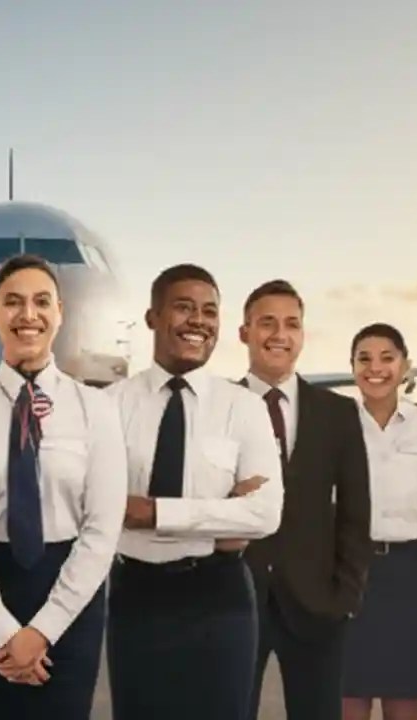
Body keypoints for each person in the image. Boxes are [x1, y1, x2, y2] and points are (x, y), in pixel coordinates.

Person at [0, 253, 126, 720]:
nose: (28, 314)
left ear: (60, 312)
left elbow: (101, 531)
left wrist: (42, 631)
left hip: (69, 598)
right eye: (13, 302)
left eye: (41, 301)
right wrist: (4, 630)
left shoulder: (96, 410)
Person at [104, 263, 285, 719]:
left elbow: (265, 514)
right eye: (184, 308)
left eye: (210, 311)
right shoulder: (109, 406)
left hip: (219, 596)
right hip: (136, 596)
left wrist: (154, 513)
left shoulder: (243, 407)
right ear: (152, 317)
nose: (198, 321)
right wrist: (220, 515)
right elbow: (98, 506)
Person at [237, 279, 372, 720]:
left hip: (318, 607)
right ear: (244, 332)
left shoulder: (338, 412)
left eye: (292, 324)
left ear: (303, 335)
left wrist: (345, 598)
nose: (280, 334)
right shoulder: (218, 407)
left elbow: (356, 511)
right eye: (267, 323)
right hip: (235, 604)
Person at [340, 323, 417, 720]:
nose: (375, 368)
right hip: (348, 572)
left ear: (405, 367)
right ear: (352, 367)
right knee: (347, 694)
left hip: (409, 573)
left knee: (405, 696)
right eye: (364, 359)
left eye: (387, 358)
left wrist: (404, 524)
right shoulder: (335, 423)